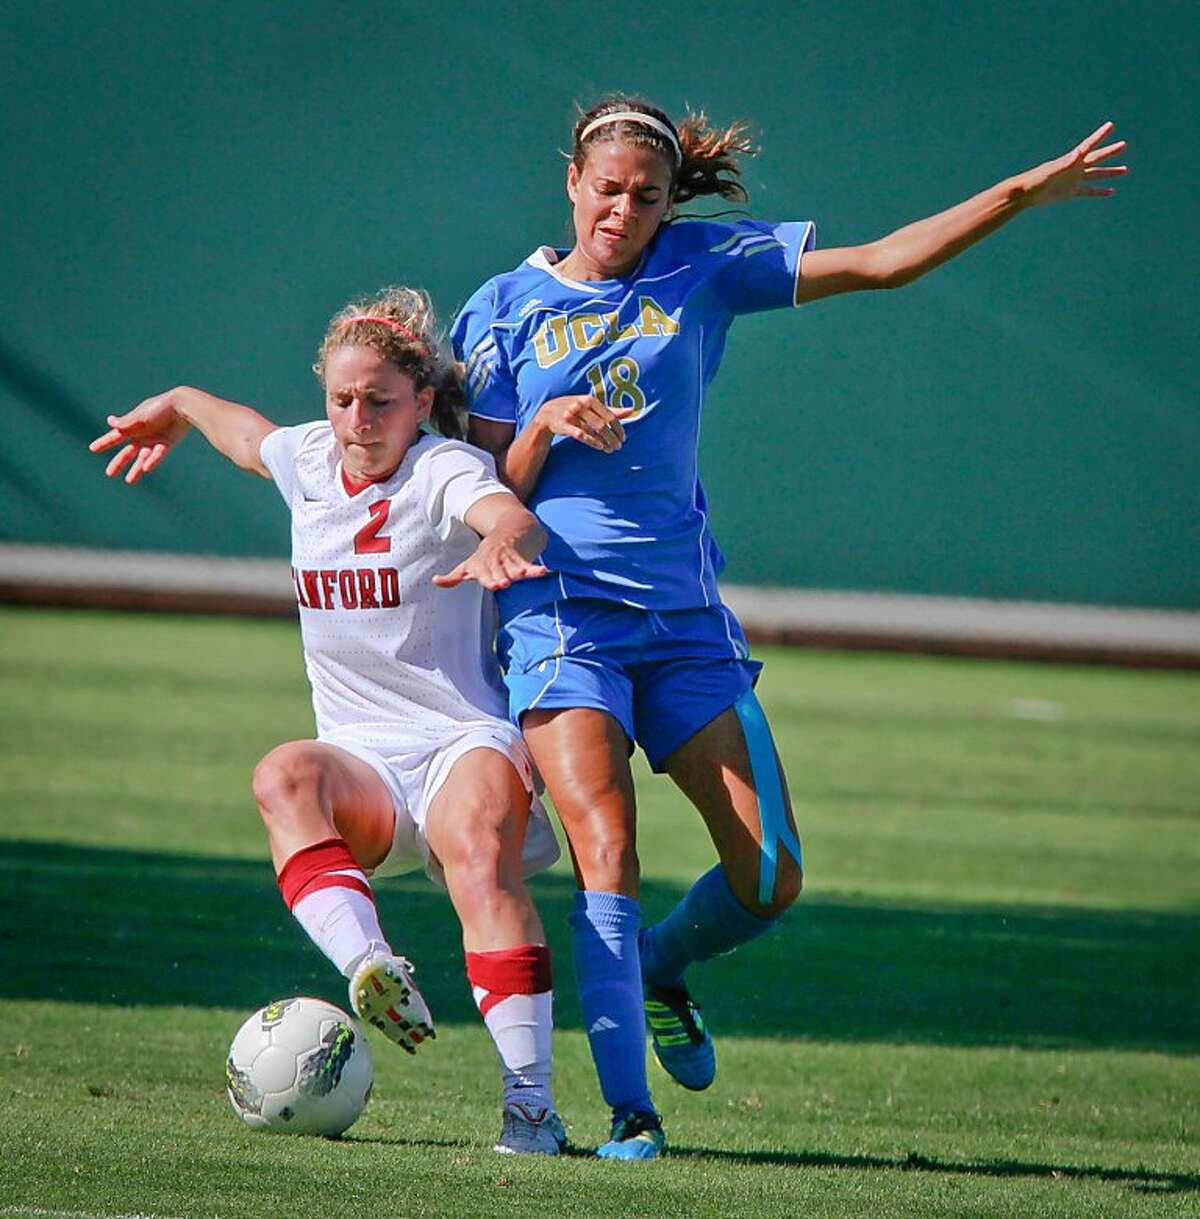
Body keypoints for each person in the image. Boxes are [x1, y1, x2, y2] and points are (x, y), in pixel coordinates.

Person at [451, 96, 1127, 1159]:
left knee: (770, 877)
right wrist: (540, 424)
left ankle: (662, 964)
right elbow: (484, 490)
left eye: (646, 195)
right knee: (607, 850)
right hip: (561, 612)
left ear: (670, 203)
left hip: (684, 623)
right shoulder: (501, 309)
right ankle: (630, 1112)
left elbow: (885, 263)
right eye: (607, 189)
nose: (622, 210)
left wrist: (1019, 195)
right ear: (571, 184)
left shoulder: (704, 267)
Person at [89, 287, 571, 1156]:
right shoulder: (309, 457)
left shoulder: (441, 469)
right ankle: (369, 966)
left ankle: (530, 1104)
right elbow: (247, 436)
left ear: (421, 401)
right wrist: (182, 404)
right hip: (365, 764)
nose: (358, 419)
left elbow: (507, 515)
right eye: (342, 399)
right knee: (282, 772)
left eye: (379, 401)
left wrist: (507, 539)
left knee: (476, 852)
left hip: (461, 739)